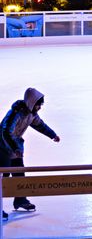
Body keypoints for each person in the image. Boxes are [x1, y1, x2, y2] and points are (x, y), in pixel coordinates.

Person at [0, 88, 60, 216]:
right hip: (3, 148)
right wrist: (14, 147)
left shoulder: (31, 114)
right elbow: (5, 132)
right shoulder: (16, 113)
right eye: (39, 104)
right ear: (32, 102)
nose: (40, 107)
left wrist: (52, 135)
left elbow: (40, 125)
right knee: (3, 178)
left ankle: (20, 200)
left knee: (19, 175)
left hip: (15, 149)